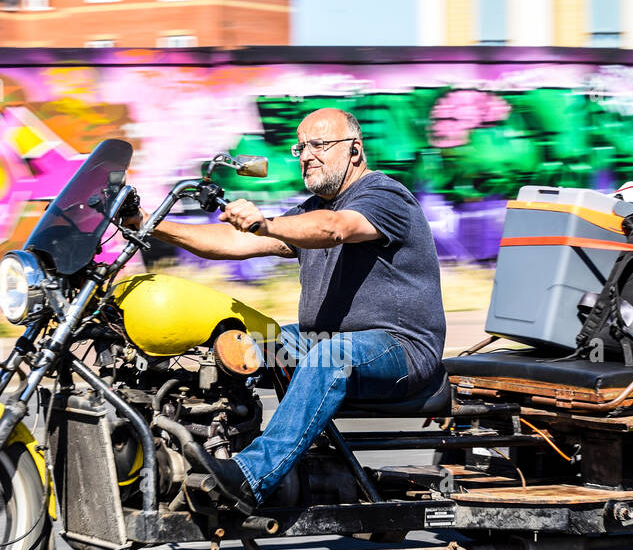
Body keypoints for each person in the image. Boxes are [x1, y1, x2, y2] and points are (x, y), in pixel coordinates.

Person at [129, 108, 446, 513]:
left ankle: (249, 478)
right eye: (301, 147)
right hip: (326, 340)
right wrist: (148, 223)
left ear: (354, 149)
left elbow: (336, 228)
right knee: (241, 347)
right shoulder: (309, 211)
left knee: (328, 359)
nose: (306, 155)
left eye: (319, 145)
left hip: (400, 350)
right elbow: (229, 242)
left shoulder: (384, 197)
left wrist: (267, 224)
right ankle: (192, 445)